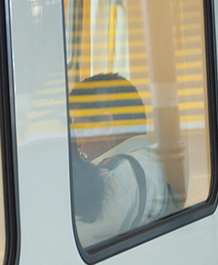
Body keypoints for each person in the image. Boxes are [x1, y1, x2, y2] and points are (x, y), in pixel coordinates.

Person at [68, 73, 175, 245]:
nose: (75, 140)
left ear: (105, 124)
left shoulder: (120, 176)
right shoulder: (146, 161)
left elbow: (73, 241)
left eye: (78, 127)